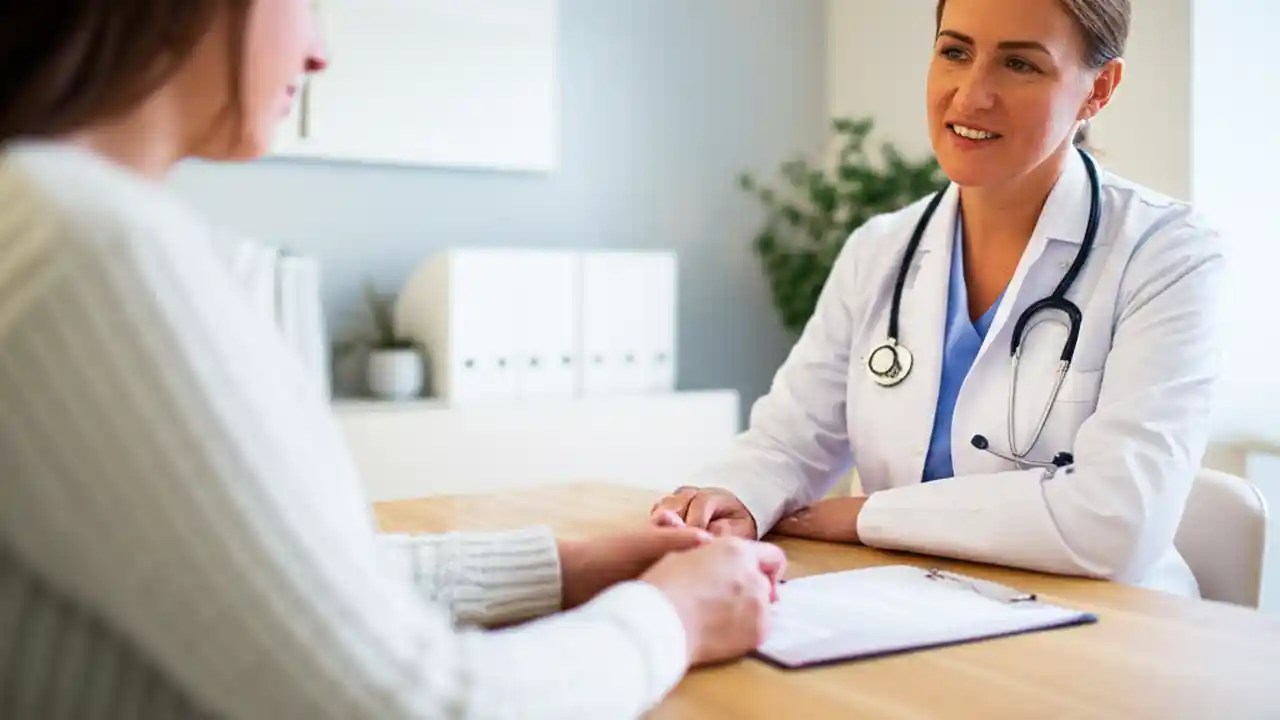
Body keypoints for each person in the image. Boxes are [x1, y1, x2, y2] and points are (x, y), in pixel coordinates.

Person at [0, 2, 786, 718]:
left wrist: (570, 565)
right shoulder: (96, 249)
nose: (318, 53)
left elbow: (292, 580)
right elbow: (415, 704)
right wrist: (671, 618)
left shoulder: (52, 217)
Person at [652, 0, 1224, 598]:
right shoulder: (880, 249)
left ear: (1098, 88)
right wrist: (732, 497)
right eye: (955, 51)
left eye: (1020, 65)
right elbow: (788, 442)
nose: (971, 96)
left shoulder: (1167, 254)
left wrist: (866, 516)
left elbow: (1118, 522)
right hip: (905, 606)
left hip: (1108, 634)